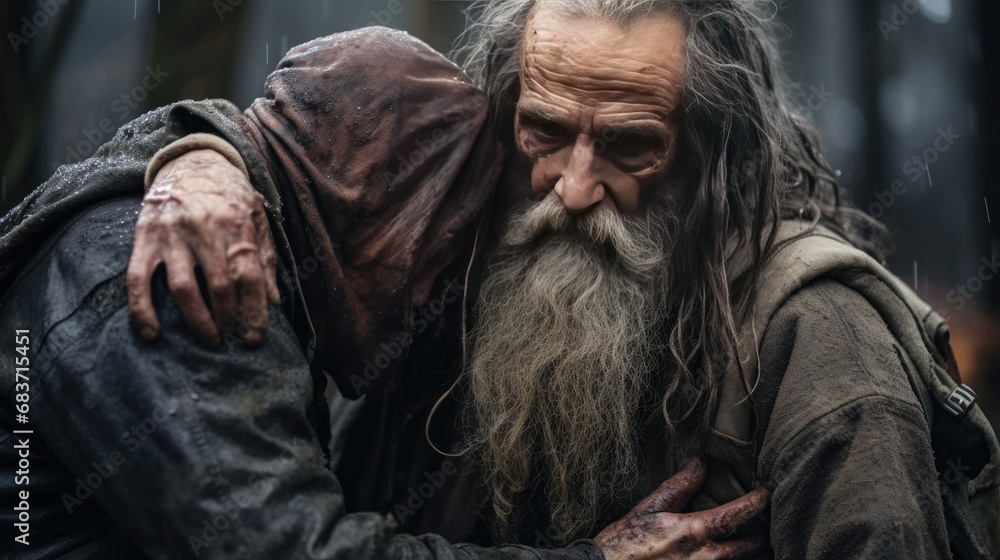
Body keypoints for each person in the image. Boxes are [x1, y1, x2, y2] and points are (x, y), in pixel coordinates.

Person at [129, 1, 1000, 559]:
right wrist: (205, 153)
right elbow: (294, 146)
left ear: (710, 152)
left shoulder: (818, 341)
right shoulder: (455, 274)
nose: (575, 189)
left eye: (629, 146)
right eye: (544, 132)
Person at [0, 16, 767, 560]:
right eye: (443, 243)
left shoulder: (257, 225)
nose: (441, 293)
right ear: (370, 196)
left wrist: (199, 145)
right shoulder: (188, 274)